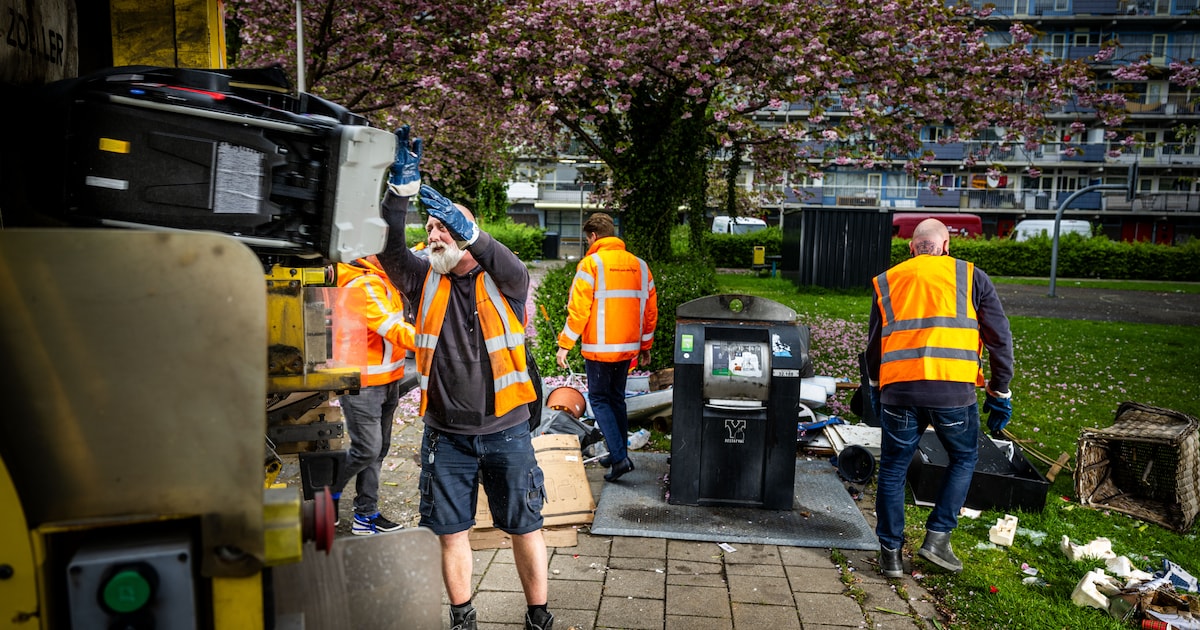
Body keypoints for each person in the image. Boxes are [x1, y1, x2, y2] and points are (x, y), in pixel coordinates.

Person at [376, 128, 553, 630]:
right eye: (431, 227)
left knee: (525, 526)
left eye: (445, 228)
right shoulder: (420, 278)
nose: (435, 235)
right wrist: (399, 197)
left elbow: (506, 259)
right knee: (450, 533)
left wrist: (470, 230)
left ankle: (538, 614)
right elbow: (389, 247)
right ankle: (462, 617)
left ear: (469, 236)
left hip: (507, 431)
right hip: (446, 435)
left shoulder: (506, 280)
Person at [864, 218, 1014, 578]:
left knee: (894, 468)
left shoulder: (888, 280)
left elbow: (875, 343)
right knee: (963, 457)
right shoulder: (971, 276)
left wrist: (872, 385)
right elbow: (999, 337)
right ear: (946, 246)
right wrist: (1000, 388)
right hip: (952, 392)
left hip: (899, 391)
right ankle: (937, 538)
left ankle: (890, 555)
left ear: (911, 248)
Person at [555, 213, 657, 482]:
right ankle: (617, 453)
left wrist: (565, 345)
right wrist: (645, 346)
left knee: (599, 400)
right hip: (627, 348)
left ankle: (620, 458)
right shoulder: (640, 266)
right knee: (616, 399)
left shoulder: (591, 265)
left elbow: (579, 311)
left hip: (599, 350)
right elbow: (650, 311)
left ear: (593, 236)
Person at [330, 254, 416, 535]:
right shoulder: (366, 284)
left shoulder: (383, 279)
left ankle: (365, 516)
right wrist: (436, 341)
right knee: (367, 449)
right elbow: (391, 328)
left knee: (377, 451)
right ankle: (326, 491)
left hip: (386, 378)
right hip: (362, 381)